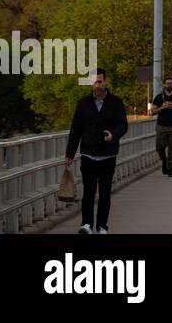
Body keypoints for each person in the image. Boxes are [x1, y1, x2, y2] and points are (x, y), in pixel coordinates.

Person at [65, 69, 128, 235]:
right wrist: (70, 153)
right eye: (94, 82)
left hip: (108, 155)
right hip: (88, 154)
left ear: (105, 82)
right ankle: (86, 224)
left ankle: (102, 226)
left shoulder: (116, 103)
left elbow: (123, 125)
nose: (97, 85)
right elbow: (76, 129)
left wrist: (113, 135)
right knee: (89, 192)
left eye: (100, 82)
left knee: (105, 193)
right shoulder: (83, 103)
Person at [151, 77, 172, 177]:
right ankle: (164, 160)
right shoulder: (158, 97)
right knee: (159, 146)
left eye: (171, 83)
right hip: (161, 126)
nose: (169, 85)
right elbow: (152, 111)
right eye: (167, 83)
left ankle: (169, 169)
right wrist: (163, 107)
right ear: (164, 85)